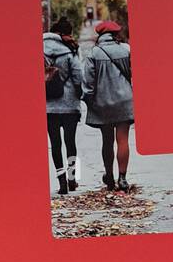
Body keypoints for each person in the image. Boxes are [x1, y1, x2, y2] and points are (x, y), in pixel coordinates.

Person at [82, 20, 133, 191]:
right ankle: (123, 178)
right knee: (123, 140)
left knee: (107, 141)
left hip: (103, 104)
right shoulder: (126, 50)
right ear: (116, 35)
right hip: (125, 101)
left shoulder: (94, 53)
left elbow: (88, 83)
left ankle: (109, 177)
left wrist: (89, 101)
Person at [44, 17, 85, 194]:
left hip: (48, 106)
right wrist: (79, 93)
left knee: (55, 144)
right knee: (70, 142)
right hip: (69, 105)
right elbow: (78, 76)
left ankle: (61, 182)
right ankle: (72, 178)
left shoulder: (39, 48)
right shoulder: (70, 50)